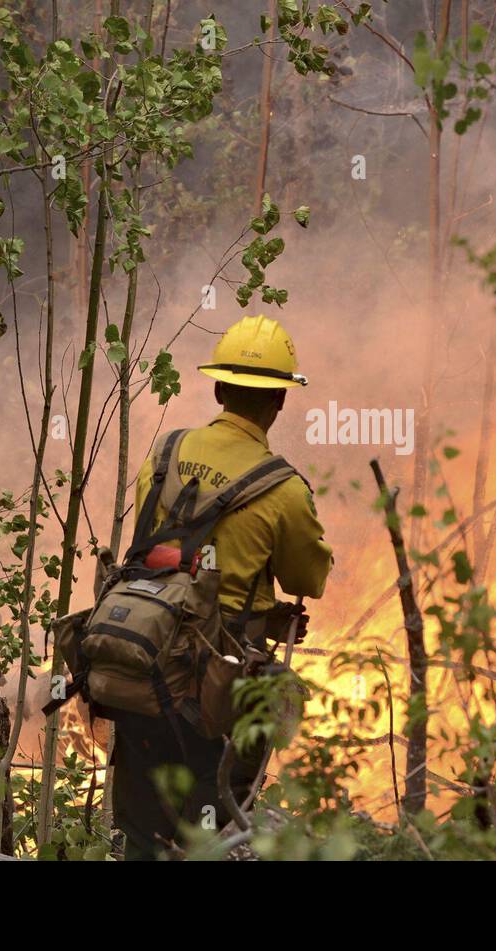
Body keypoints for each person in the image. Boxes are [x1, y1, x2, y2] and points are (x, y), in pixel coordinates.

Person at [112, 315, 333, 860]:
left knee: (143, 830)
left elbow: (155, 550)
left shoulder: (164, 455)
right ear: (279, 401)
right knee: (214, 832)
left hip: (142, 665)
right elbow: (310, 579)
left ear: (217, 388)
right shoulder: (282, 489)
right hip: (220, 691)